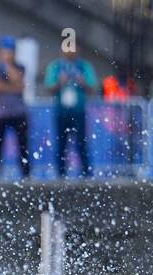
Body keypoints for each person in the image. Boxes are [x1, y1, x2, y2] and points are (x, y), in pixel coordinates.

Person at [44, 46, 97, 177]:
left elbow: (93, 88)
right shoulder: (55, 66)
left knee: (82, 143)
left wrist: (82, 82)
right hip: (61, 112)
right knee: (61, 144)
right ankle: (61, 174)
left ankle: (86, 173)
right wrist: (60, 83)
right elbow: (49, 88)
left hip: (78, 111)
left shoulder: (84, 66)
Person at [0, 36, 30, 178]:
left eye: (10, 51)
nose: (8, 54)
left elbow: (20, 83)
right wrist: (12, 87)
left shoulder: (19, 66)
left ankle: (26, 174)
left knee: (23, 147)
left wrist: (8, 68)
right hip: (1, 113)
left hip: (18, 113)